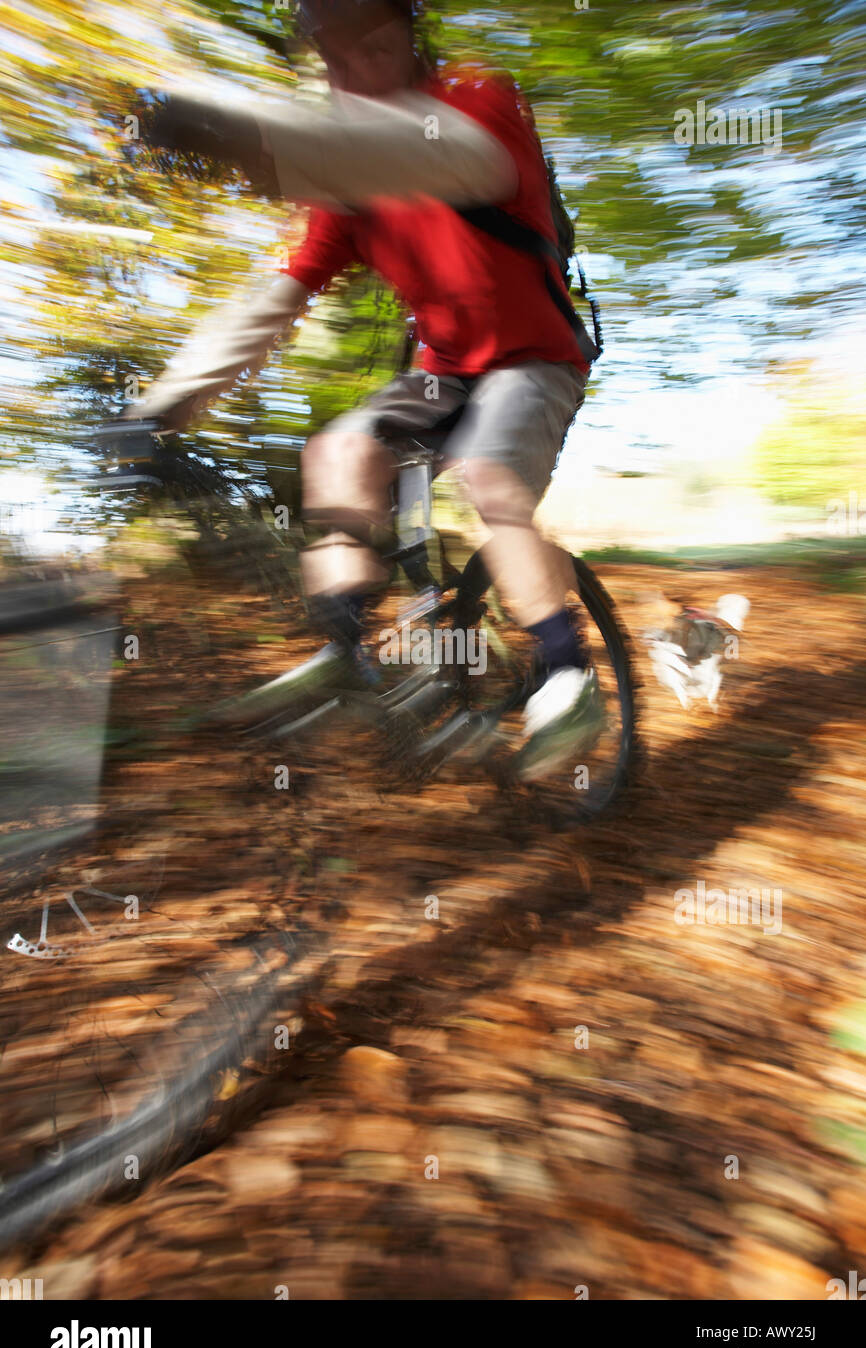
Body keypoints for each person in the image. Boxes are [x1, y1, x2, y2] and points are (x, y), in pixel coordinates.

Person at [124, 0, 606, 778]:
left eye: (373, 44)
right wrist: (163, 404)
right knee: (341, 450)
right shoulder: (345, 188)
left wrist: (247, 133)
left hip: (534, 359)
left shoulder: (478, 100)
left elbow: (428, 156)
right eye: (336, 58)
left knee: (489, 475)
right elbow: (271, 303)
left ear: (411, 41)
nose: (354, 70)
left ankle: (567, 670)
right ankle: (347, 652)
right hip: (443, 368)